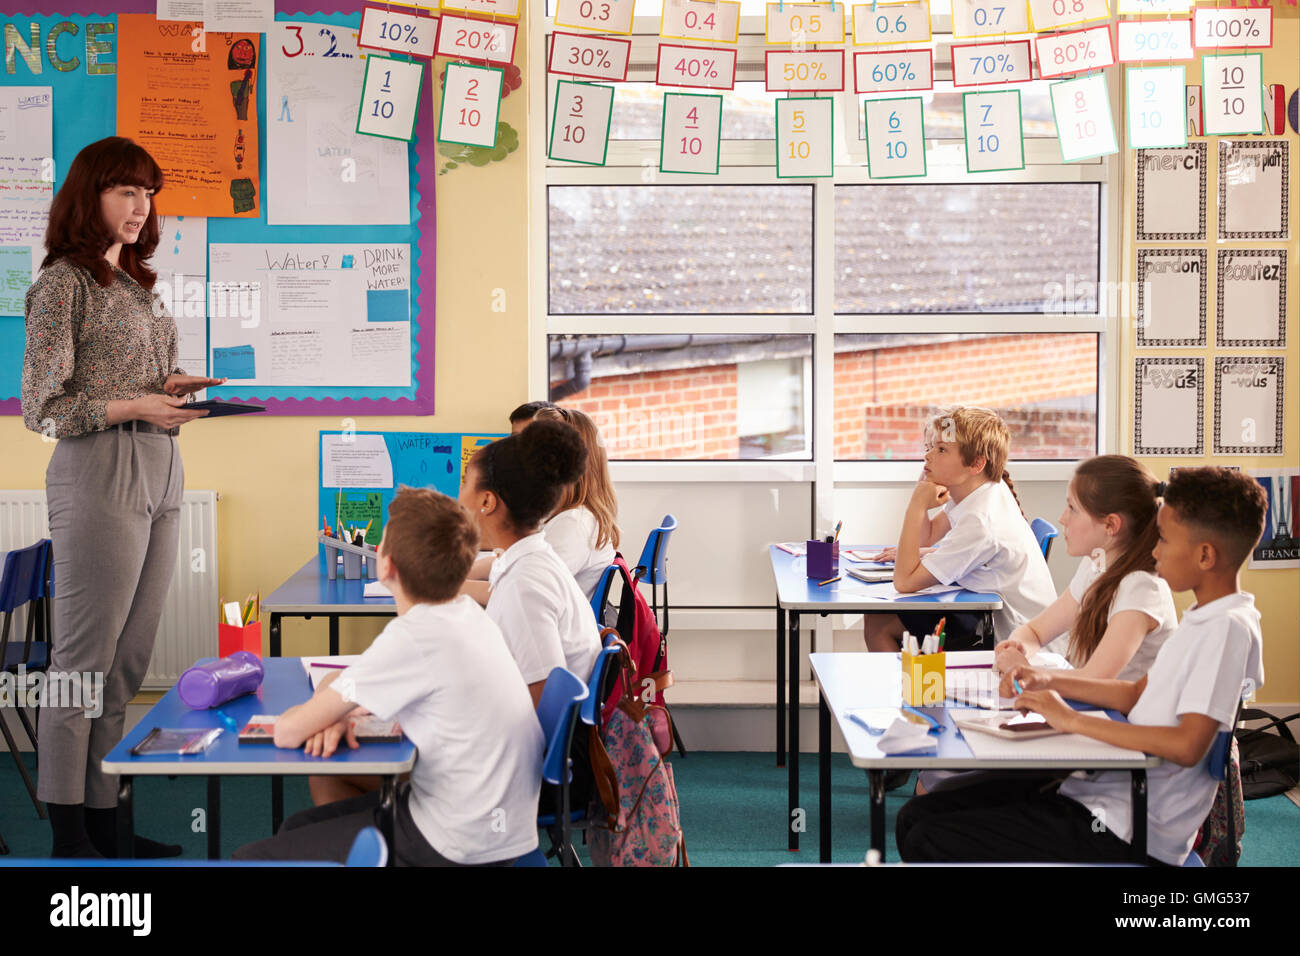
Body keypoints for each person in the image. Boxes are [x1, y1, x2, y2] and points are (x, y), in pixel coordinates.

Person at [896, 466, 1267, 865]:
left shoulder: (1227, 628)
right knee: (916, 817)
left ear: (1205, 555)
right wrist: (1041, 678)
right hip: (1102, 792)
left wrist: (1069, 719)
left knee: (929, 835)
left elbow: (1188, 745)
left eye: (1164, 538)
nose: (1154, 549)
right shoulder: (1203, 616)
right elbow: (1137, 692)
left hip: (1129, 826)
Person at [21, 136, 224, 857]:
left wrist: (169, 390)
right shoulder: (61, 285)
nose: (141, 207)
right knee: (82, 663)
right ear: (90, 195)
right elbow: (42, 407)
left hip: (160, 465)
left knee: (129, 662)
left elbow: (133, 387)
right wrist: (136, 405)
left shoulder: (136, 285)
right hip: (99, 469)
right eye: (125, 191)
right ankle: (69, 836)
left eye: (148, 192)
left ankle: (108, 823)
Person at [235, 488, 543, 866]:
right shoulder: (464, 612)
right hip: (500, 826)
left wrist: (328, 712)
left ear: (385, 565)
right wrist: (340, 711)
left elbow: (287, 732)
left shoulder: (413, 637)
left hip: (459, 840)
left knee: (246, 858)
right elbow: (351, 680)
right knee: (299, 826)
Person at [460, 420, 602, 813]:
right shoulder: (527, 560)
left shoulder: (525, 585)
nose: (460, 500)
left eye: (464, 486)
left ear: (487, 502)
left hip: (531, 774)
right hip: (534, 754)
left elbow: (538, 711)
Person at [864, 405, 1055, 652]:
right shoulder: (979, 491)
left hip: (1011, 642)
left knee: (879, 625)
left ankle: (905, 692)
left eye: (941, 449)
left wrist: (916, 505)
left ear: (976, 464)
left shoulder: (982, 519)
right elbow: (929, 537)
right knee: (877, 619)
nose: (928, 455)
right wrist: (923, 488)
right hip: (986, 619)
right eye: (930, 447)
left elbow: (904, 581)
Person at [994, 455, 1177, 691]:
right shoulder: (1096, 565)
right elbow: (1035, 631)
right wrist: (1016, 648)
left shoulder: (1141, 588)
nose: (1062, 518)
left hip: (1123, 720)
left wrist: (1023, 670)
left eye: (1073, 508)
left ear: (1110, 525)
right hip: (1094, 710)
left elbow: (1094, 681)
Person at [533, 406, 620, 600]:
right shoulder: (566, 513)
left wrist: (460, 586)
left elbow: (531, 593)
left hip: (557, 626)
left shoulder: (573, 524)